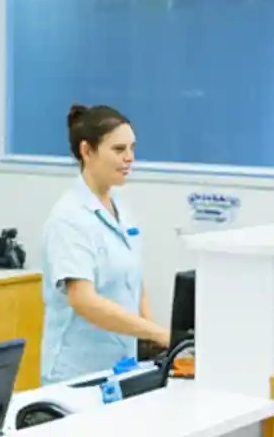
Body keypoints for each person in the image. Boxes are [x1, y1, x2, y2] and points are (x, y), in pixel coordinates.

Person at [38, 104, 172, 384]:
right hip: (77, 373)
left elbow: (134, 279)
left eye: (132, 148)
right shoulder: (69, 218)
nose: (130, 158)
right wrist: (155, 333)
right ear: (87, 151)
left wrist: (158, 338)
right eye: (119, 150)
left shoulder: (120, 206)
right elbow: (84, 300)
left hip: (121, 366)